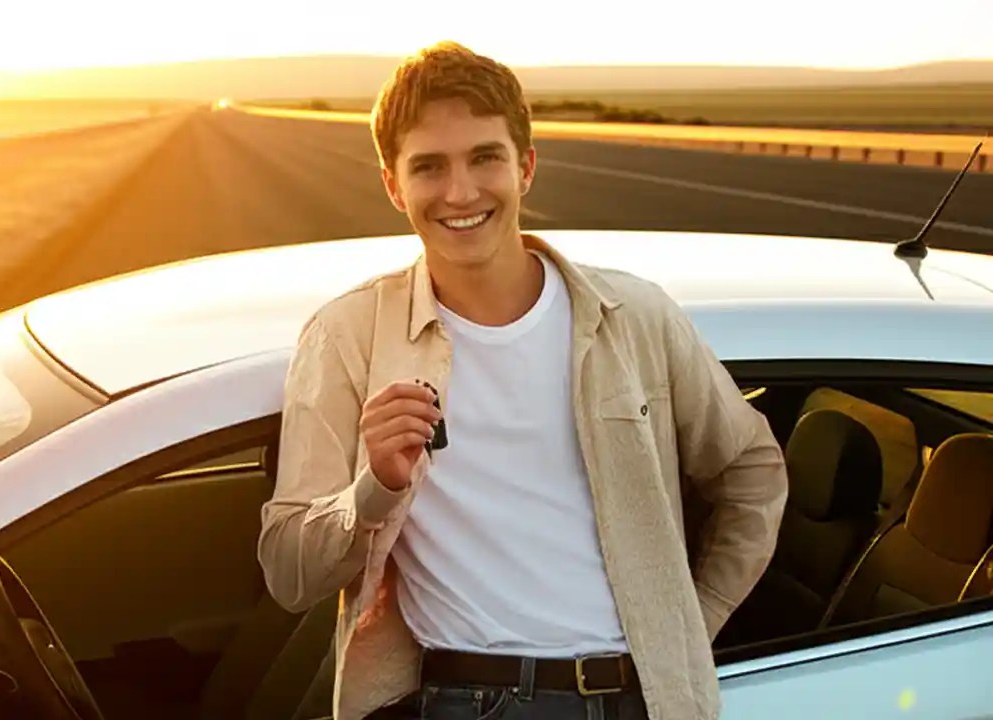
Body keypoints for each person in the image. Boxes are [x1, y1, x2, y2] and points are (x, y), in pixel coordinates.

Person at [257, 41, 788, 720]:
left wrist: (686, 627)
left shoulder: (635, 318)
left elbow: (752, 470)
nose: (460, 192)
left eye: (485, 157)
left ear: (526, 166)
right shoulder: (346, 337)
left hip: (644, 700)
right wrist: (373, 492)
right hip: (466, 699)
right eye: (429, 168)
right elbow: (288, 573)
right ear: (393, 185)